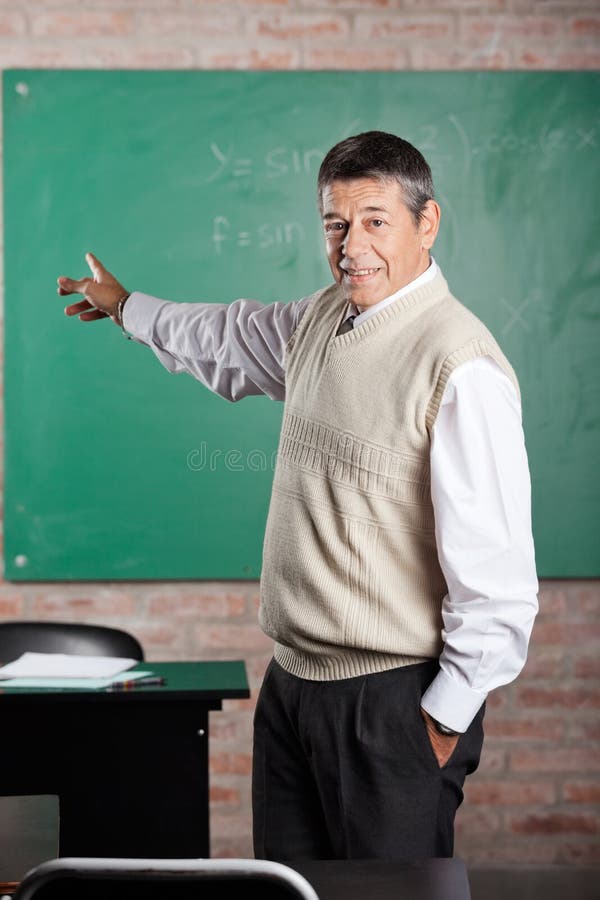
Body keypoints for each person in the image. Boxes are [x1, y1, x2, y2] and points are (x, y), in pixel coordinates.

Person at [58, 131, 538, 861]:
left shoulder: (459, 364)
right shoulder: (321, 319)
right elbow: (225, 334)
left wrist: (435, 726)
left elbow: (498, 591)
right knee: (288, 893)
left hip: (390, 705)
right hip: (293, 690)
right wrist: (129, 308)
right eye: (335, 224)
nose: (353, 245)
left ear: (427, 223)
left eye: (376, 220)